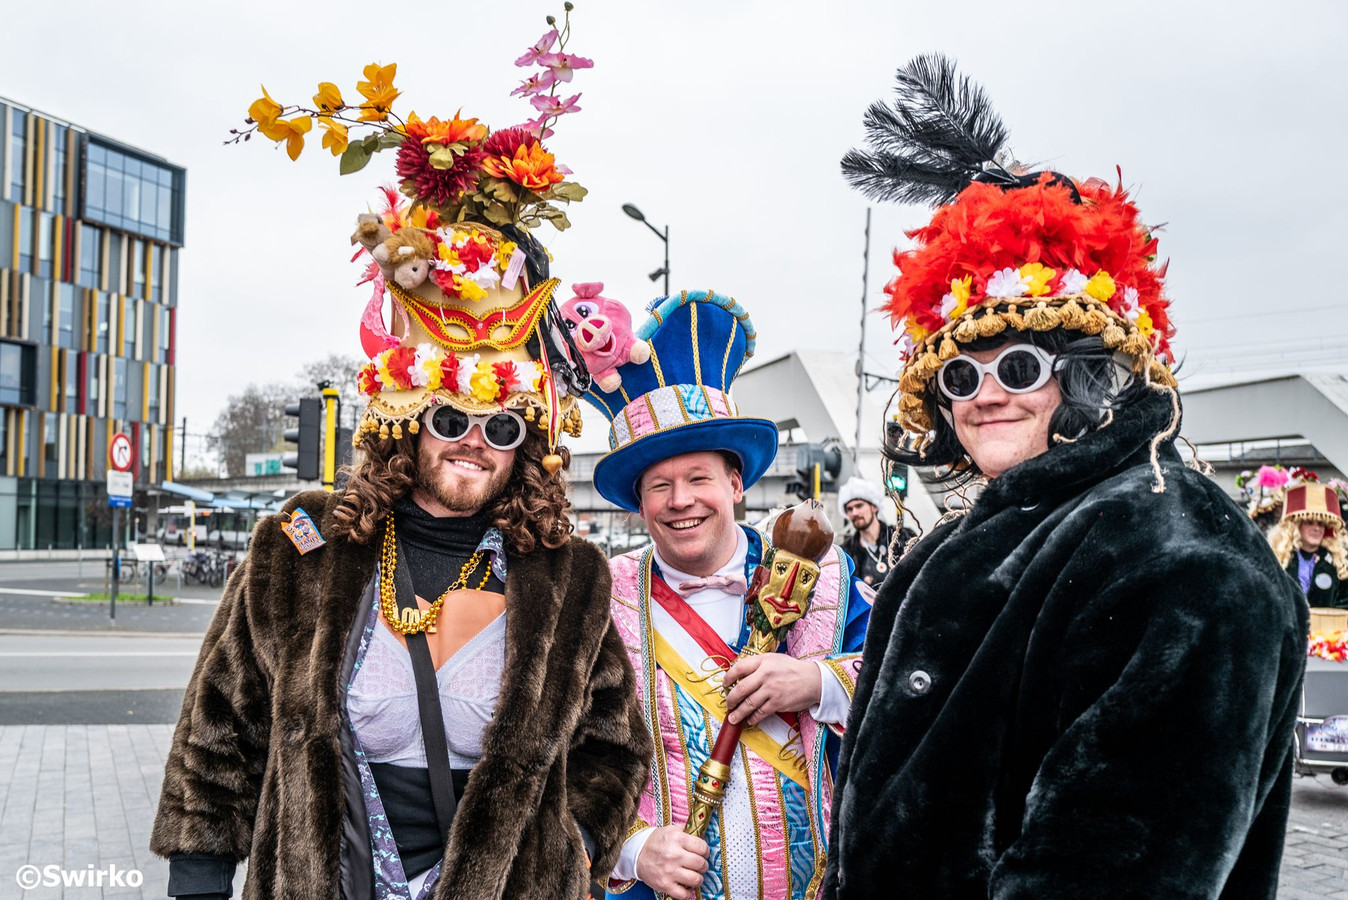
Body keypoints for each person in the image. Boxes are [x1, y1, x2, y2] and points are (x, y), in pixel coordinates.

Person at [150, 36, 650, 900]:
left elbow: (614, 747)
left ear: (527, 440)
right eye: (450, 418)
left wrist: (563, 846)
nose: (474, 442)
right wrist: (199, 880)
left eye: (501, 426)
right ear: (410, 420)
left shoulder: (570, 576)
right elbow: (218, 730)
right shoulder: (299, 548)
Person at [823, 55, 1308, 898]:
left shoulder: (1179, 553)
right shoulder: (967, 541)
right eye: (960, 375)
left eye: (1019, 366)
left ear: (1087, 372)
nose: (984, 396)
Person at [580, 292, 870, 900]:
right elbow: (562, 752)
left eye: (699, 478)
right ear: (638, 505)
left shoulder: (827, 576)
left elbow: (905, 680)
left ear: (735, 484)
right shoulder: (600, 600)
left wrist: (817, 682)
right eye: (659, 486)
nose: (680, 500)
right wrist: (633, 848)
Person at [1269, 480, 1348, 609]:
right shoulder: (1279, 559)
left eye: (1321, 524)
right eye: (1309, 522)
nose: (1317, 528)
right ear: (1296, 526)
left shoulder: (1337, 563)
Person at [836, 476, 912, 586]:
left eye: (859, 506)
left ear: (874, 507)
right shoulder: (846, 554)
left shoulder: (903, 538)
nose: (854, 513)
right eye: (849, 509)